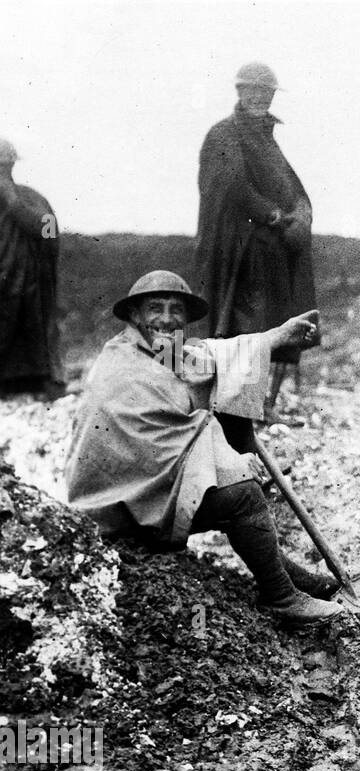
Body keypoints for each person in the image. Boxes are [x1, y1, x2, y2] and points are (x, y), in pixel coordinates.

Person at [65, 271, 341, 628]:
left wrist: (274, 338)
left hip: (141, 491)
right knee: (242, 494)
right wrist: (230, 461)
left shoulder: (153, 349)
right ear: (134, 315)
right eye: (155, 308)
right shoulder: (122, 365)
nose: (167, 318)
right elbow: (160, 445)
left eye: (176, 309)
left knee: (232, 471)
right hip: (121, 510)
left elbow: (209, 357)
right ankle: (282, 598)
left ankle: (291, 576)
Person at [194, 62, 317, 420]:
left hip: (270, 250)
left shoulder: (266, 138)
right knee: (248, 326)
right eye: (252, 90)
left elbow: (289, 185)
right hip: (240, 251)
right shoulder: (225, 135)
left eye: (266, 92)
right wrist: (275, 215)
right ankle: (238, 407)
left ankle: (264, 404)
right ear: (239, 92)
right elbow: (232, 186)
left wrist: (302, 212)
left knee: (276, 321)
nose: (259, 97)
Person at [0, 137, 62, 398]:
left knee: (33, 331)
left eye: (4, 167)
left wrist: (16, 206)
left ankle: (39, 381)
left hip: (32, 287)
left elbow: (50, 231)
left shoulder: (33, 199)